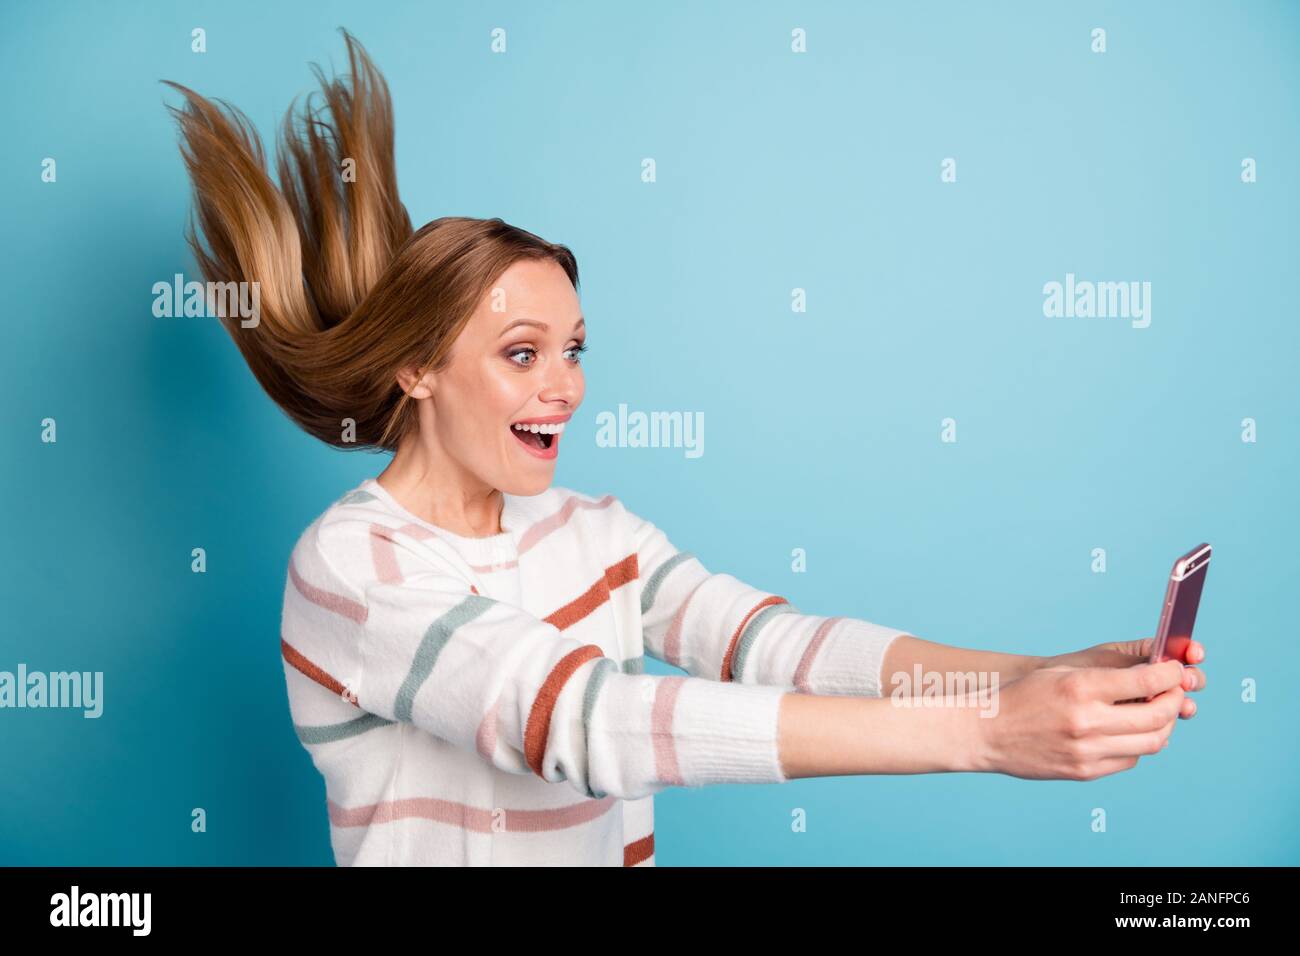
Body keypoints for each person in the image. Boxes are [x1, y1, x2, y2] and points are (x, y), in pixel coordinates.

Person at [163, 29, 1206, 866]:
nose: (563, 383)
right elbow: (589, 722)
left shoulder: (593, 530)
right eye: (520, 352)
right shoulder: (352, 566)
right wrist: (984, 734)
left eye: (573, 348)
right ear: (417, 370)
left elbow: (776, 648)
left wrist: (1035, 676)